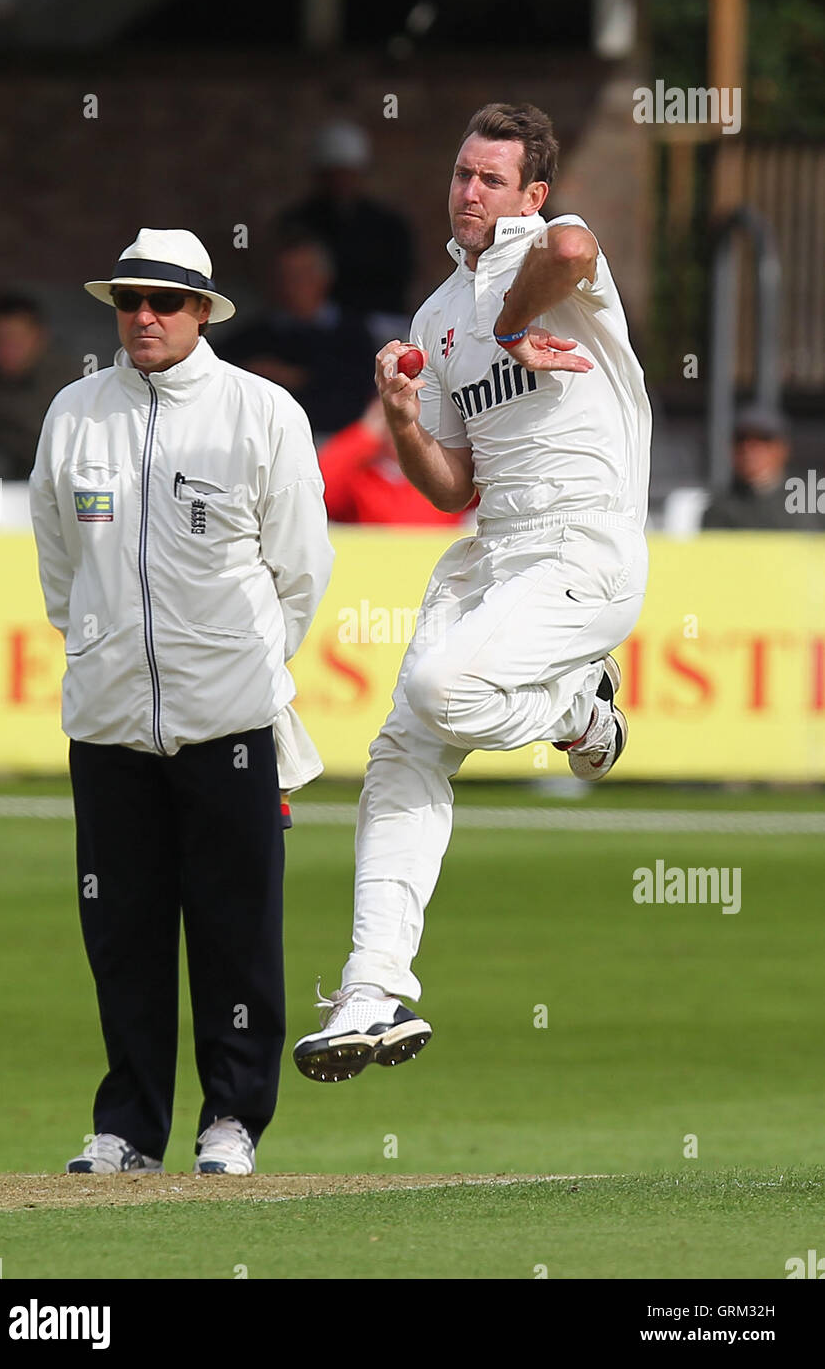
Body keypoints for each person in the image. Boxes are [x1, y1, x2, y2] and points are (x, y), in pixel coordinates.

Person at [293, 103, 651, 1081]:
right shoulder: (432, 318)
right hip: (495, 551)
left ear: (528, 194)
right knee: (402, 747)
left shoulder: (554, 256)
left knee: (441, 691)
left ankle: (579, 705)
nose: (468, 192)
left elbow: (572, 249)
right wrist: (404, 421)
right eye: (460, 173)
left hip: (584, 545)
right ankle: (371, 991)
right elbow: (452, 487)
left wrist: (510, 319)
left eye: (490, 179)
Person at [29, 228, 334, 1172]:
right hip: (110, 721)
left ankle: (232, 1120)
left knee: (235, 932)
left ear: (204, 311)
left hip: (230, 723)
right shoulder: (75, 413)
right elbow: (57, 567)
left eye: (164, 301)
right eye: (129, 301)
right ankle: (127, 1126)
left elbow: (302, 572)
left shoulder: (261, 412)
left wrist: (235, 670)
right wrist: (105, 647)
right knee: (122, 933)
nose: (144, 318)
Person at [218, 235, 376, 441]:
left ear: (324, 279)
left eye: (302, 275)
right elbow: (221, 364)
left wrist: (300, 378)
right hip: (271, 439)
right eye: (285, 276)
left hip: (338, 441)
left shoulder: (353, 333)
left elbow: (360, 388)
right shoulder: (258, 333)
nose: (292, 285)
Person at [277, 120, 416, 322]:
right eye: (332, 174)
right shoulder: (299, 222)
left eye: (347, 174)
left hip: (378, 322)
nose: (341, 182)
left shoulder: (390, 226)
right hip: (314, 321)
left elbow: (401, 281)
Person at [0, 294, 76, 480]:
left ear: (40, 336)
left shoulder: (70, 383)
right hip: (0, 486)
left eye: (16, 339)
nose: (7, 349)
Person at [319, 397, 473, 525]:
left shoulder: (450, 470)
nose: (406, 432)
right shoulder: (361, 476)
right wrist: (364, 433)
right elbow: (320, 494)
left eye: (419, 422)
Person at [702, 406, 821, 530]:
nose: (749, 449)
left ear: (783, 449)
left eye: (763, 439)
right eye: (741, 439)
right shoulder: (719, 509)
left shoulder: (813, 499)